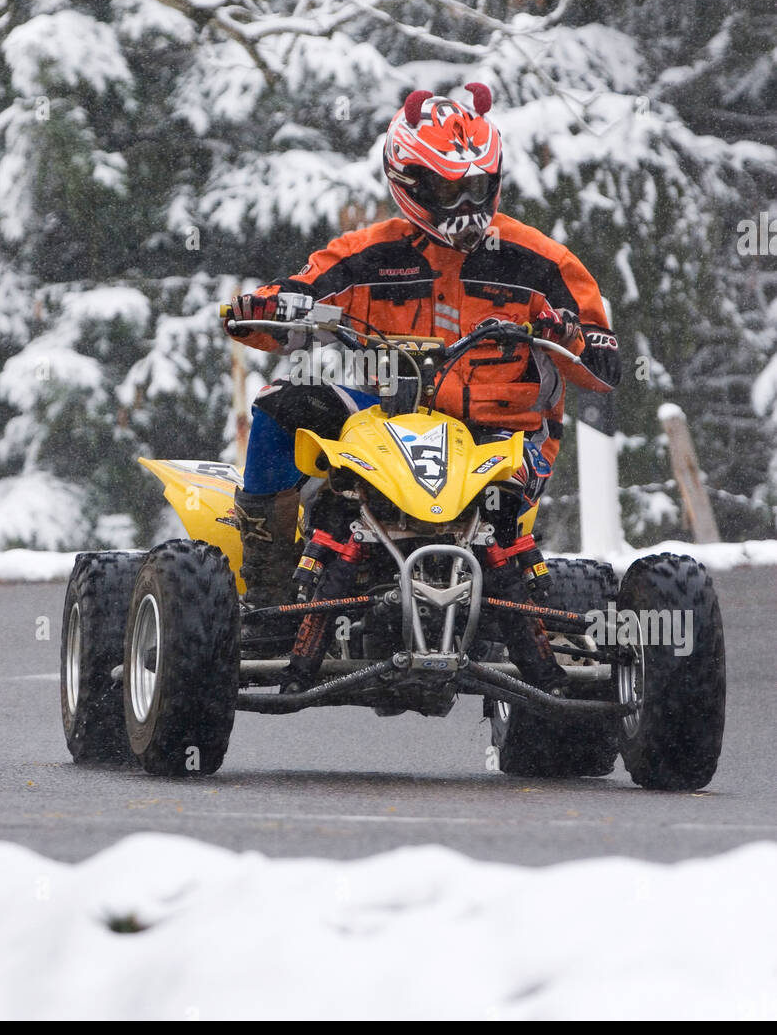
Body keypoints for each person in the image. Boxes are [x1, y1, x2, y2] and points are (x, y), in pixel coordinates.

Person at [225, 83, 621, 692]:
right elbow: (288, 306)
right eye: (445, 188)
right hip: (392, 421)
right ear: (406, 179)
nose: (465, 204)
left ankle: (528, 623)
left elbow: (603, 367)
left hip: (505, 438)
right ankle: (271, 591)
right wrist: (271, 307)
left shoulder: (541, 263)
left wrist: (568, 335)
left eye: (477, 187)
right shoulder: (367, 255)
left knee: (501, 523)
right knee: (280, 410)